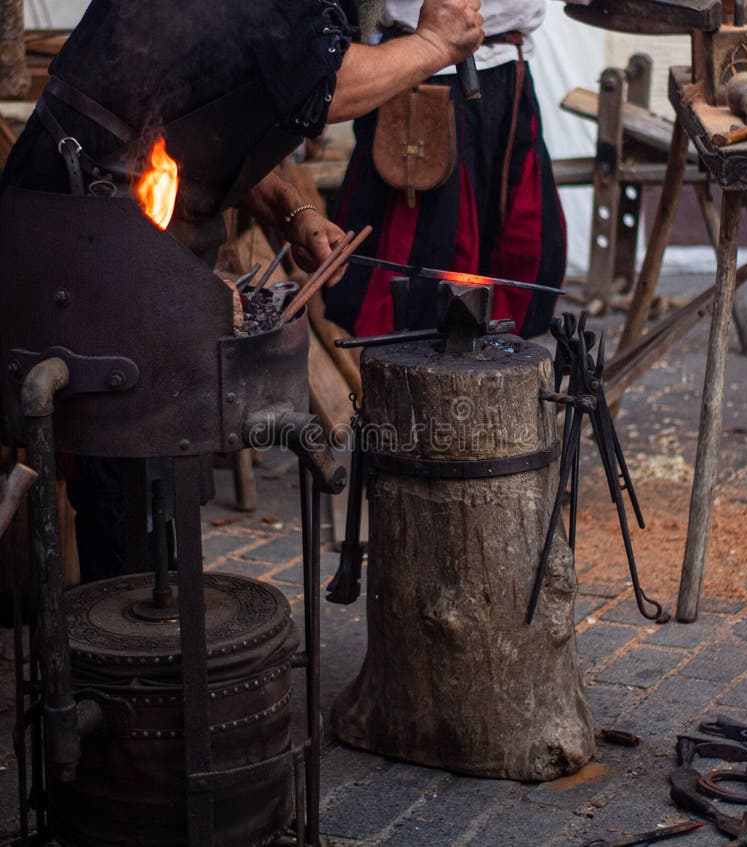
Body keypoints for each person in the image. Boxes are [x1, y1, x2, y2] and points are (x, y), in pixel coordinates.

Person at [0, 0, 484, 581]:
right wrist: (435, 46)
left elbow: (202, 105)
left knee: (143, 456)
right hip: (79, 218)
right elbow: (322, 86)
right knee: (115, 451)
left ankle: (148, 603)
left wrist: (285, 205)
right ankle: (124, 635)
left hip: (127, 226)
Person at [323, 0, 566, 339]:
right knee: (419, 286)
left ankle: (492, 381)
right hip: (418, 73)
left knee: (516, 256)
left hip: (511, 69)